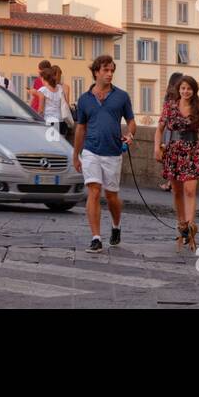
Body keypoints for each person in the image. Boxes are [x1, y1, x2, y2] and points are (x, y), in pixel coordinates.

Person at [72, 55, 135, 254]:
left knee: (111, 196)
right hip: (91, 150)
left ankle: (116, 226)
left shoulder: (122, 96)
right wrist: (76, 155)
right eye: (106, 70)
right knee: (94, 191)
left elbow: (131, 121)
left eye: (112, 71)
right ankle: (96, 238)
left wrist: (130, 133)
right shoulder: (84, 99)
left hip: (113, 152)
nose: (109, 74)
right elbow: (80, 128)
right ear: (96, 72)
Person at [154, 75, 199, 250]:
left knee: (190, 190)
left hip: (192, 152)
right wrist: (157, 148)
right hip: (173, 151)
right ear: (178, 89)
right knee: (176, 192)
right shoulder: (170, 107)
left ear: (194, 91)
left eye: (189, 88)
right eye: (183, 88)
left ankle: (190, 226)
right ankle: (181, 225)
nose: (185, 91)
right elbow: (159, 130)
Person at [159, 72, 184, 191]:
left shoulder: (168, 96)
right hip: (177, 131)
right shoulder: (179, 96)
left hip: (169, 130)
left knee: (171, 157)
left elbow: (164, 115)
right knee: (176, 158)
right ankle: (172, 183)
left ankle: (171, 183)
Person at [34, 62, 73, 141]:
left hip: (49, 121)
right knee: (61, 145)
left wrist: (37, 119)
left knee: (51, 145)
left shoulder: (43, 90)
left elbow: (41, 110)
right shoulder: (60, 88)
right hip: (61, 121)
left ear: (43, 78)